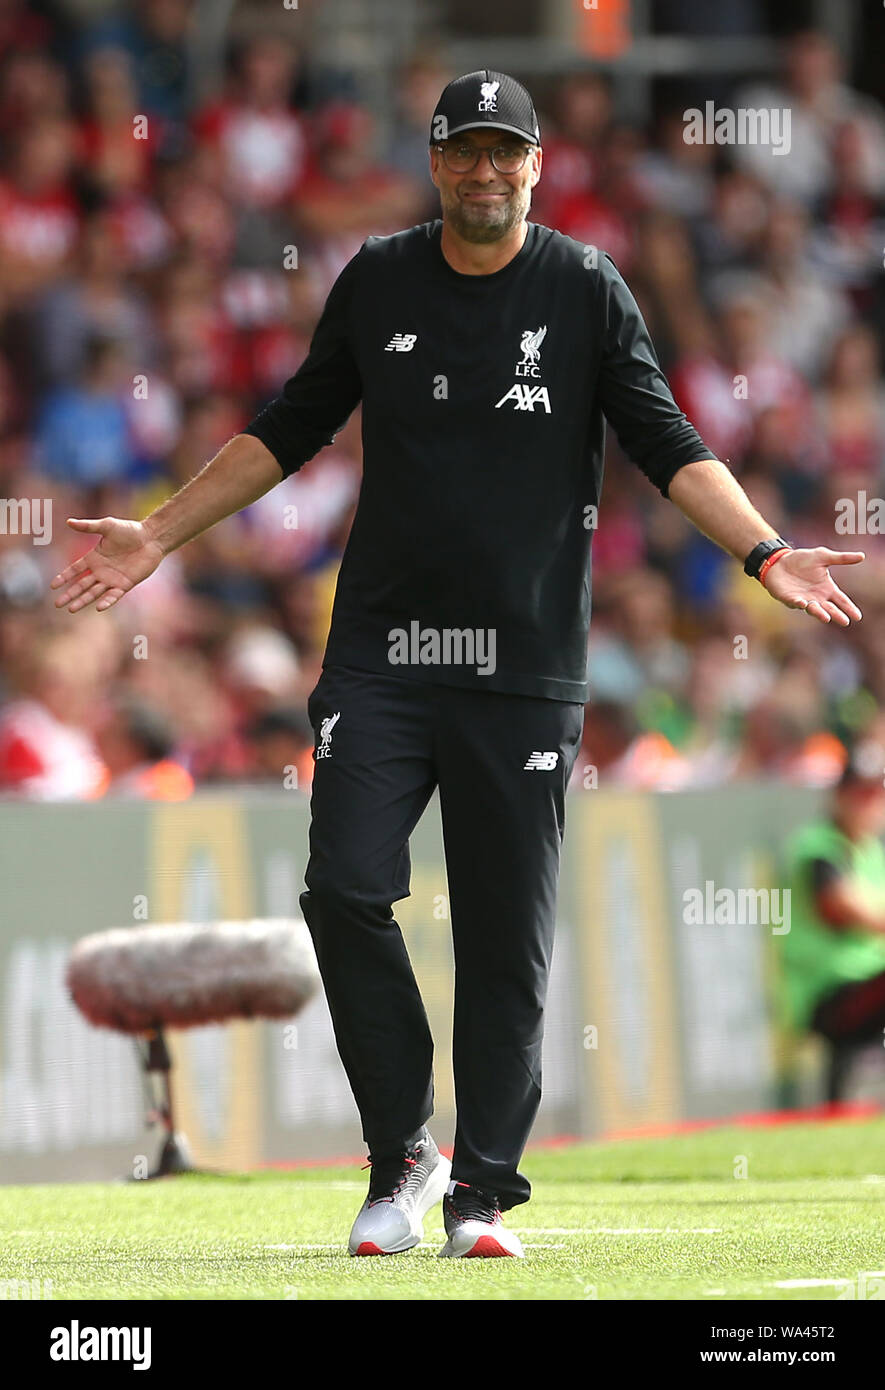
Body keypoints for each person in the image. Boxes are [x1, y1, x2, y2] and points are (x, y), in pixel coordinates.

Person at [51, 69, 864, 1259]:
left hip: (527, 665)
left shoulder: (587, 290)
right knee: (344, 887)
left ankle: (482, 1195)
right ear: (434, 164)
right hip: (383, 654)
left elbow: (668, 442)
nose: (486, 170)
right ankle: (403, 1157)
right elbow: (291, 422)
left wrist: (766, 551)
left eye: (507, 152)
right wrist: (157, 533)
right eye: (464, 151)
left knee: (503, 936)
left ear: (537, 167)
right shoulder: (377, 279)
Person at [779, 740, 885, 1083]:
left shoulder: (872, 851)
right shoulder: (820, 847)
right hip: (828, 993)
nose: (869, 804)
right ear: (840, 795)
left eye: (875, 794)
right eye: (861, 793)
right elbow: (840, 906)